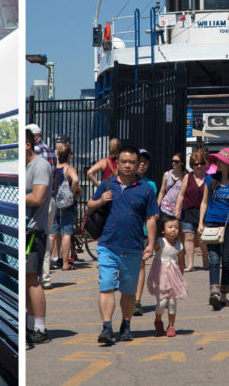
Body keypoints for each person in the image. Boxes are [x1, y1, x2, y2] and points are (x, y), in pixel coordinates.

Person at [87, 145, 158, 345]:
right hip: (107, 245)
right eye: (124, 162)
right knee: (106, 287)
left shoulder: (145, 189)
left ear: (138, 164)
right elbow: (90, 205)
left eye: (132, 162)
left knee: (128, 291)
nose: (127, 165)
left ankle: (126, 325)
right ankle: (107, 327)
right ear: (117, 163)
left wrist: (151, 244)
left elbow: (151, 218)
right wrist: (101, 200)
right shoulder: (107, 184)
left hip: (133, 247)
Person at [197, 147, 229, 310]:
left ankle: (224, 294)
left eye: (221, 161)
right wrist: (200, 222)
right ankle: (214, 293)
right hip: (212, 222)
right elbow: (204, 202)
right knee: (214, 260)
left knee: (226, 261)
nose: (218, 163)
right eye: (217, 160)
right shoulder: (210, 180)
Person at [24, 127, 51, 344]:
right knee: (27, 280)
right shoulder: (25, 166)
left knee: (32, 279)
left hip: (33, 230)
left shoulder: (40, 165)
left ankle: (40, 328)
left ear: (27, 145)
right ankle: (30, 324)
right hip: (26, 230)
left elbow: (37, 198)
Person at [26, 124, 57, 290]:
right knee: (46, 238)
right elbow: (56, 177)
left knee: (41, 238)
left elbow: (37, 196)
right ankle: (45, 277)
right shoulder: (51, 151)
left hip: (38, 204)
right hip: (50, 198)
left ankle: (42, 276)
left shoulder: (37, 158)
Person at [147, 215, 187, 337]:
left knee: (173, 302)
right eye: (170, 227)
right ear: (163, 230)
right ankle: (158, 320)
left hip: (174, 276)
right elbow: (150, 250)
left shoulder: (179, 245)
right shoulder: (160, 242)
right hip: (161, 275)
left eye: (176, 227)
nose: (173, 229)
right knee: (162, 303)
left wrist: (181, 277)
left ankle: (171, 326)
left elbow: (181, 262)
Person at [173, 150, 210, 272]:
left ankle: (205, 258)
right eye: (196, 164)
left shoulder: (208, 178)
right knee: (188, 237)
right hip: (188, 211)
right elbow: (181, 194)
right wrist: (177, 209)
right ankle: (190, 264)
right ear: (192, 165)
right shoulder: (187, 177)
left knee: (202, 238)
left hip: (203, 212)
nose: (199, 166)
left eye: (201, 163)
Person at [134, 149, 158, 316]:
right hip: (127, 231)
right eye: (140, 160)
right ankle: (129, 296)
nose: (142, 164)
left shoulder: (151, 185)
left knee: (141, 265)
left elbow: (153, 211)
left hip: (142, 231)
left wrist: (152, 239)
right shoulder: (123, 182)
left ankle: (136, 301)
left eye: (145, 162)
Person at [49, 146, 80, 271]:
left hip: (55, 203)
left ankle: (47, 263)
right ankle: (66, 263)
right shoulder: (69, 168)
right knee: (66, 233)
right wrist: (71, 193)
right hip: (67, 205)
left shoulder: (54, 169)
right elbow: (76, 180)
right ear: (69, 155)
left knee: (52, 234)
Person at [157, 152, 186, 218]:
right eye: (172, 161)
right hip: (165, 207)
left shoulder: (185, 176)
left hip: (178, 209)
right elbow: (162, 192)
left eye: (176, 161)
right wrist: (156, 207)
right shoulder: (167, 174)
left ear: (182, 163)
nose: (173, 163)